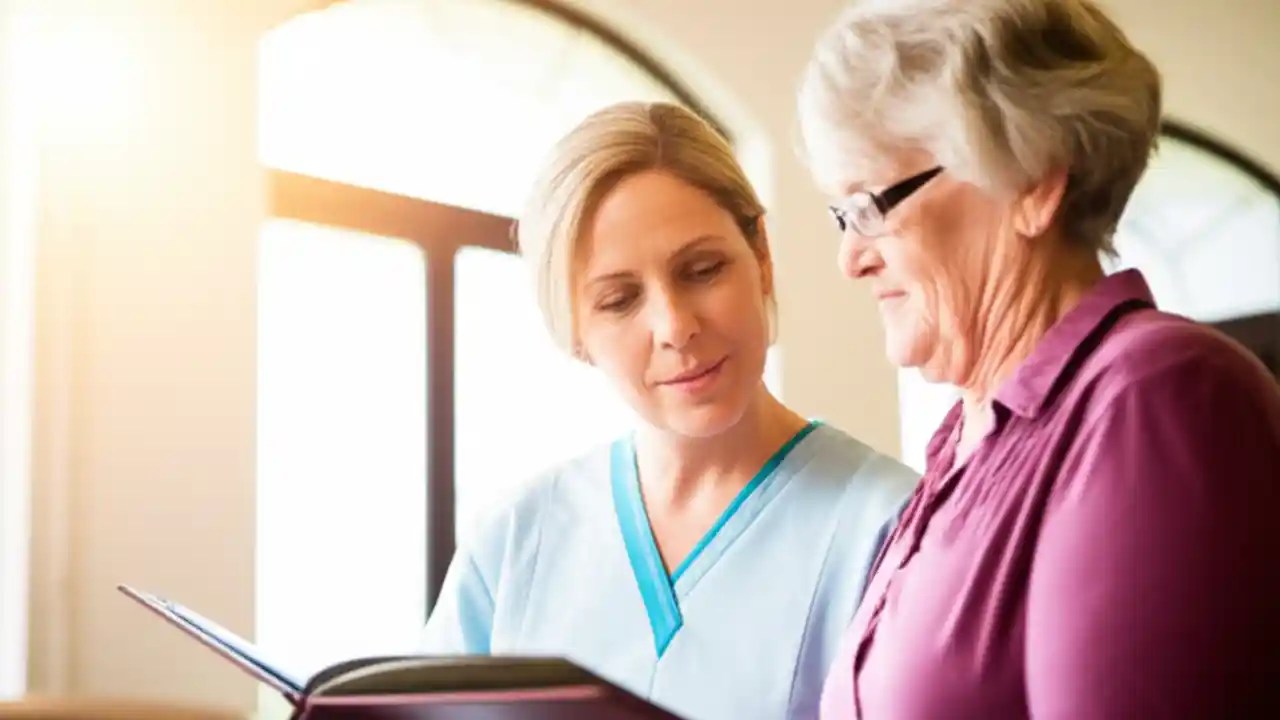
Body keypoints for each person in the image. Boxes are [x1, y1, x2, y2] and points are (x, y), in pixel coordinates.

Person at [795, 0, 1280, 717]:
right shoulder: (963, 448)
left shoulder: (1157, 399)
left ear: (1034, 182)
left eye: (872, 204)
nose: (850, 258)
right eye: (843, 215)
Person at [420, 101, 918, 720]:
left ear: (761, 254)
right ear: (572, 328)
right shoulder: (514, 544)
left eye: (702, 270)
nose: (675, 327)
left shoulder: (891, 528)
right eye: (620, 300)